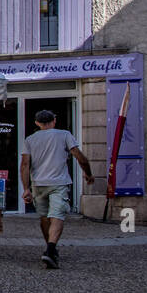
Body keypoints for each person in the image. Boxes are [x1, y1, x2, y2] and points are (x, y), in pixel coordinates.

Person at [21, 109, 94, 269]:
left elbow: (25, 164)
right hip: (58, 182)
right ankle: (51, 249)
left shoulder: (30, 139)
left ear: (37, 123)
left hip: (38, 183)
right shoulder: (64, 135)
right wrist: (88, 173)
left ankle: (50, 248)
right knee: (57, 216)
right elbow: (79, 156)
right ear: (54, 120)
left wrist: (26, 188)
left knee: (44, 217)